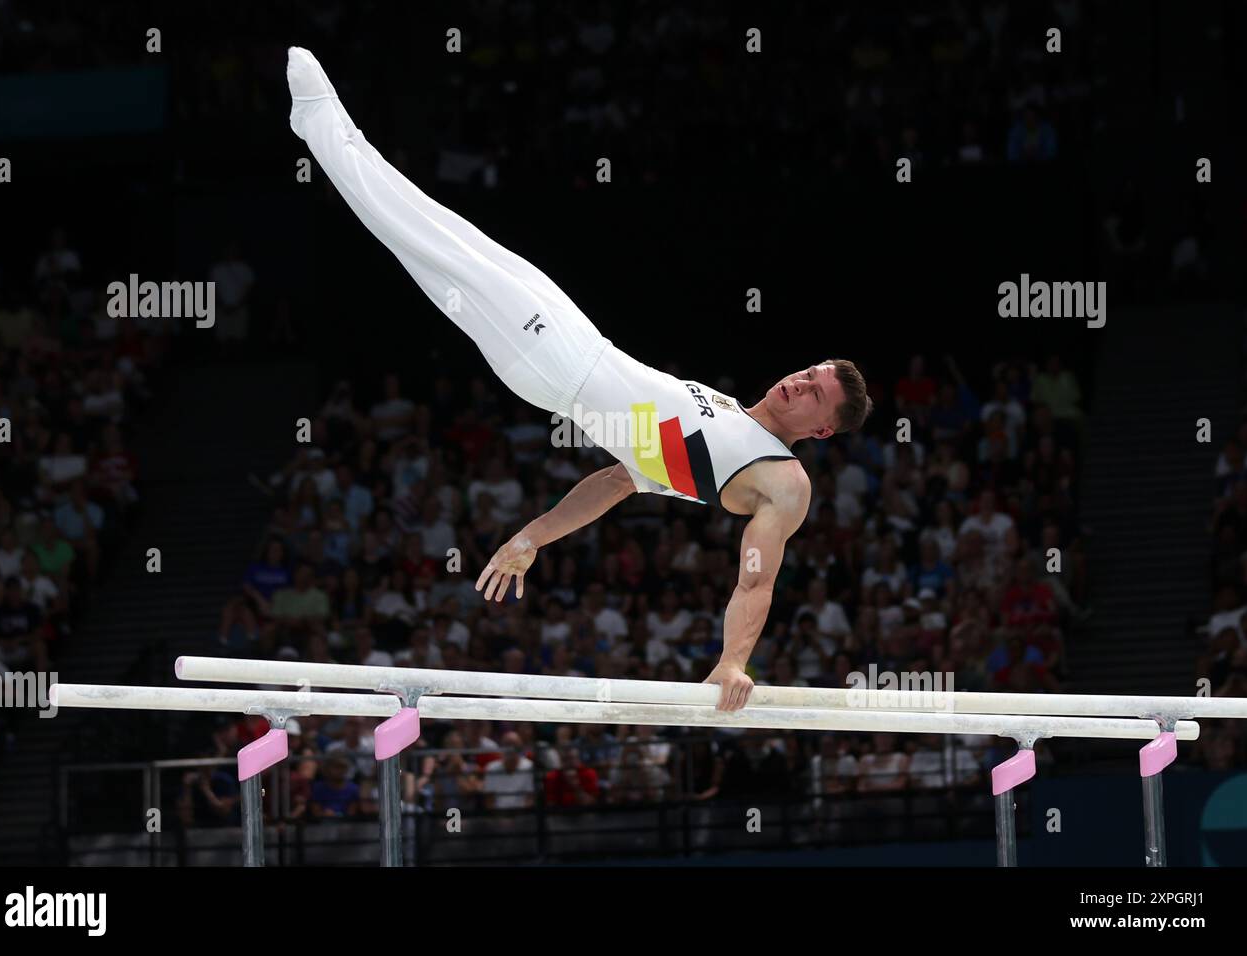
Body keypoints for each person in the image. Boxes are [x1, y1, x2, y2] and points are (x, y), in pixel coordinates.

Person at [287, 48, 872, 712]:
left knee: (428, 237)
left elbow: (757, 578)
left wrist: (733, 661)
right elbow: (617, 480)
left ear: (822, 429)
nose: (799, 380)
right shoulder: (723, 422)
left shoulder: (782, 479)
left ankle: (322, 123)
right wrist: (532, 536)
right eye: (808, 371)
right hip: (569, 342)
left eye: (814, 391)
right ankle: (333, 134)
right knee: (440, 242)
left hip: (559, 360)